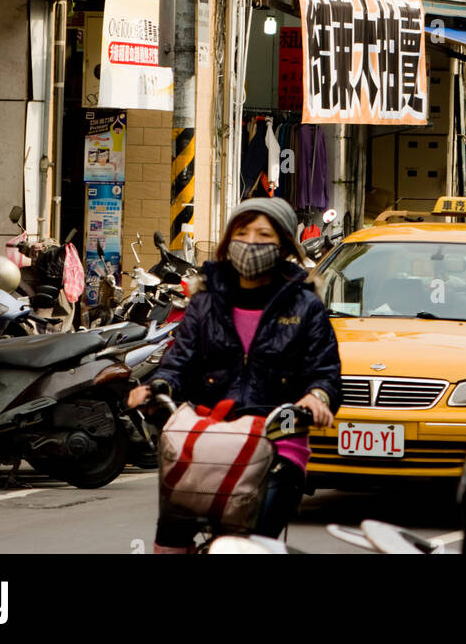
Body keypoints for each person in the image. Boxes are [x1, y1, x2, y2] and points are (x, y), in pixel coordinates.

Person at [130, 197, 341, 554]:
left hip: (277, 443)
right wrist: (157, 387)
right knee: (170, 540)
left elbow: (326, 376)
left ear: (284, 244)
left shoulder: (306, 305)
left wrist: (316, 398)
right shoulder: (205, 301)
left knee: (249, 546)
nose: (251, 242)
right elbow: (178, 362)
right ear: (229, 241)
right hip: (208, 442)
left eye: (264, 234)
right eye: (242, 232)